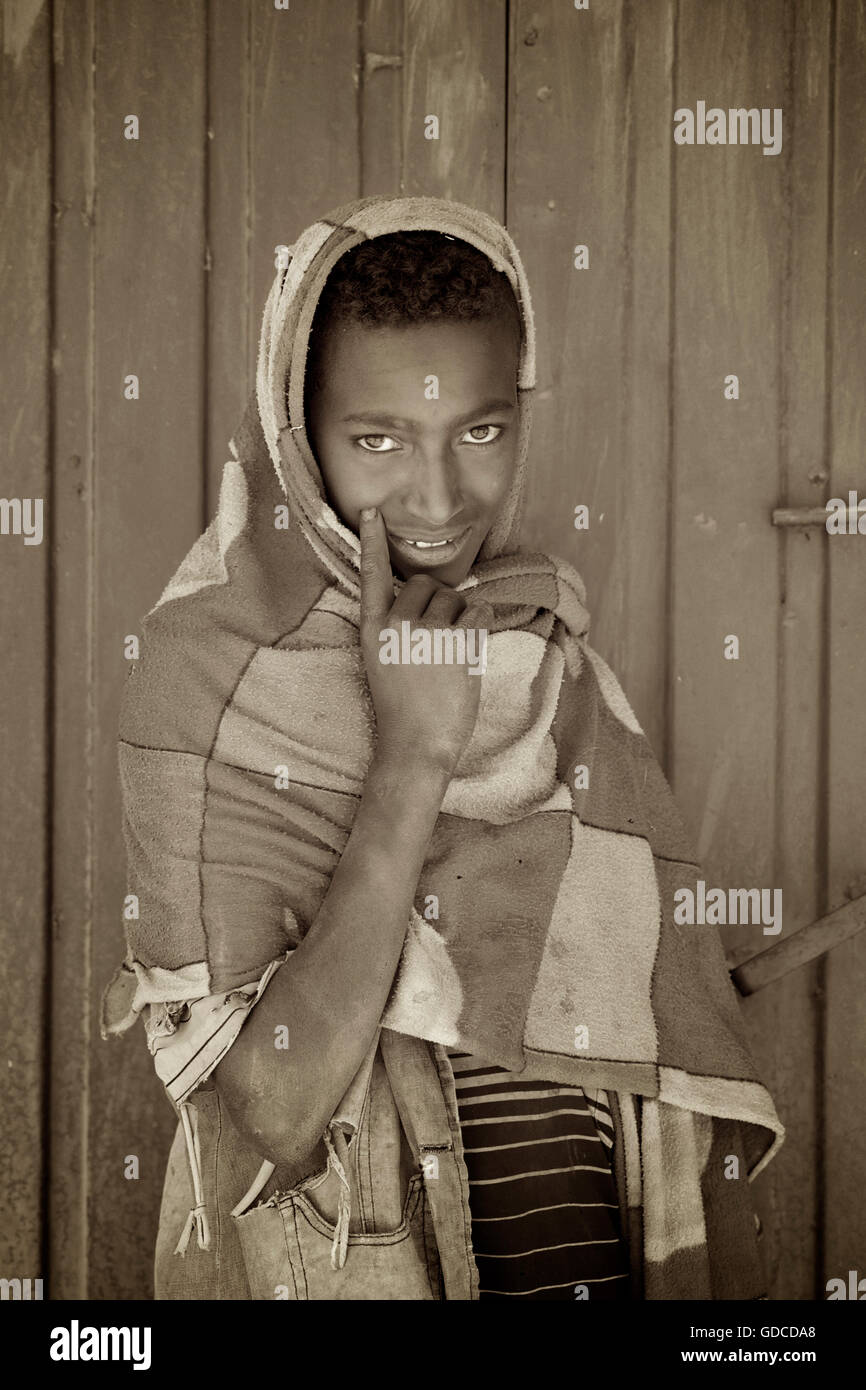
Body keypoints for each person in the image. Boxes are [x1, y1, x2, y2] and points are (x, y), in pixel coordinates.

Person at [101, 195, 784, 1301]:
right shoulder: (205, 684)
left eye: (480, 430)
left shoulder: (547, 653)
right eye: (375, 440)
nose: (436, 496)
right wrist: (414, 751)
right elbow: (273, 1108)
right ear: (294, 431)